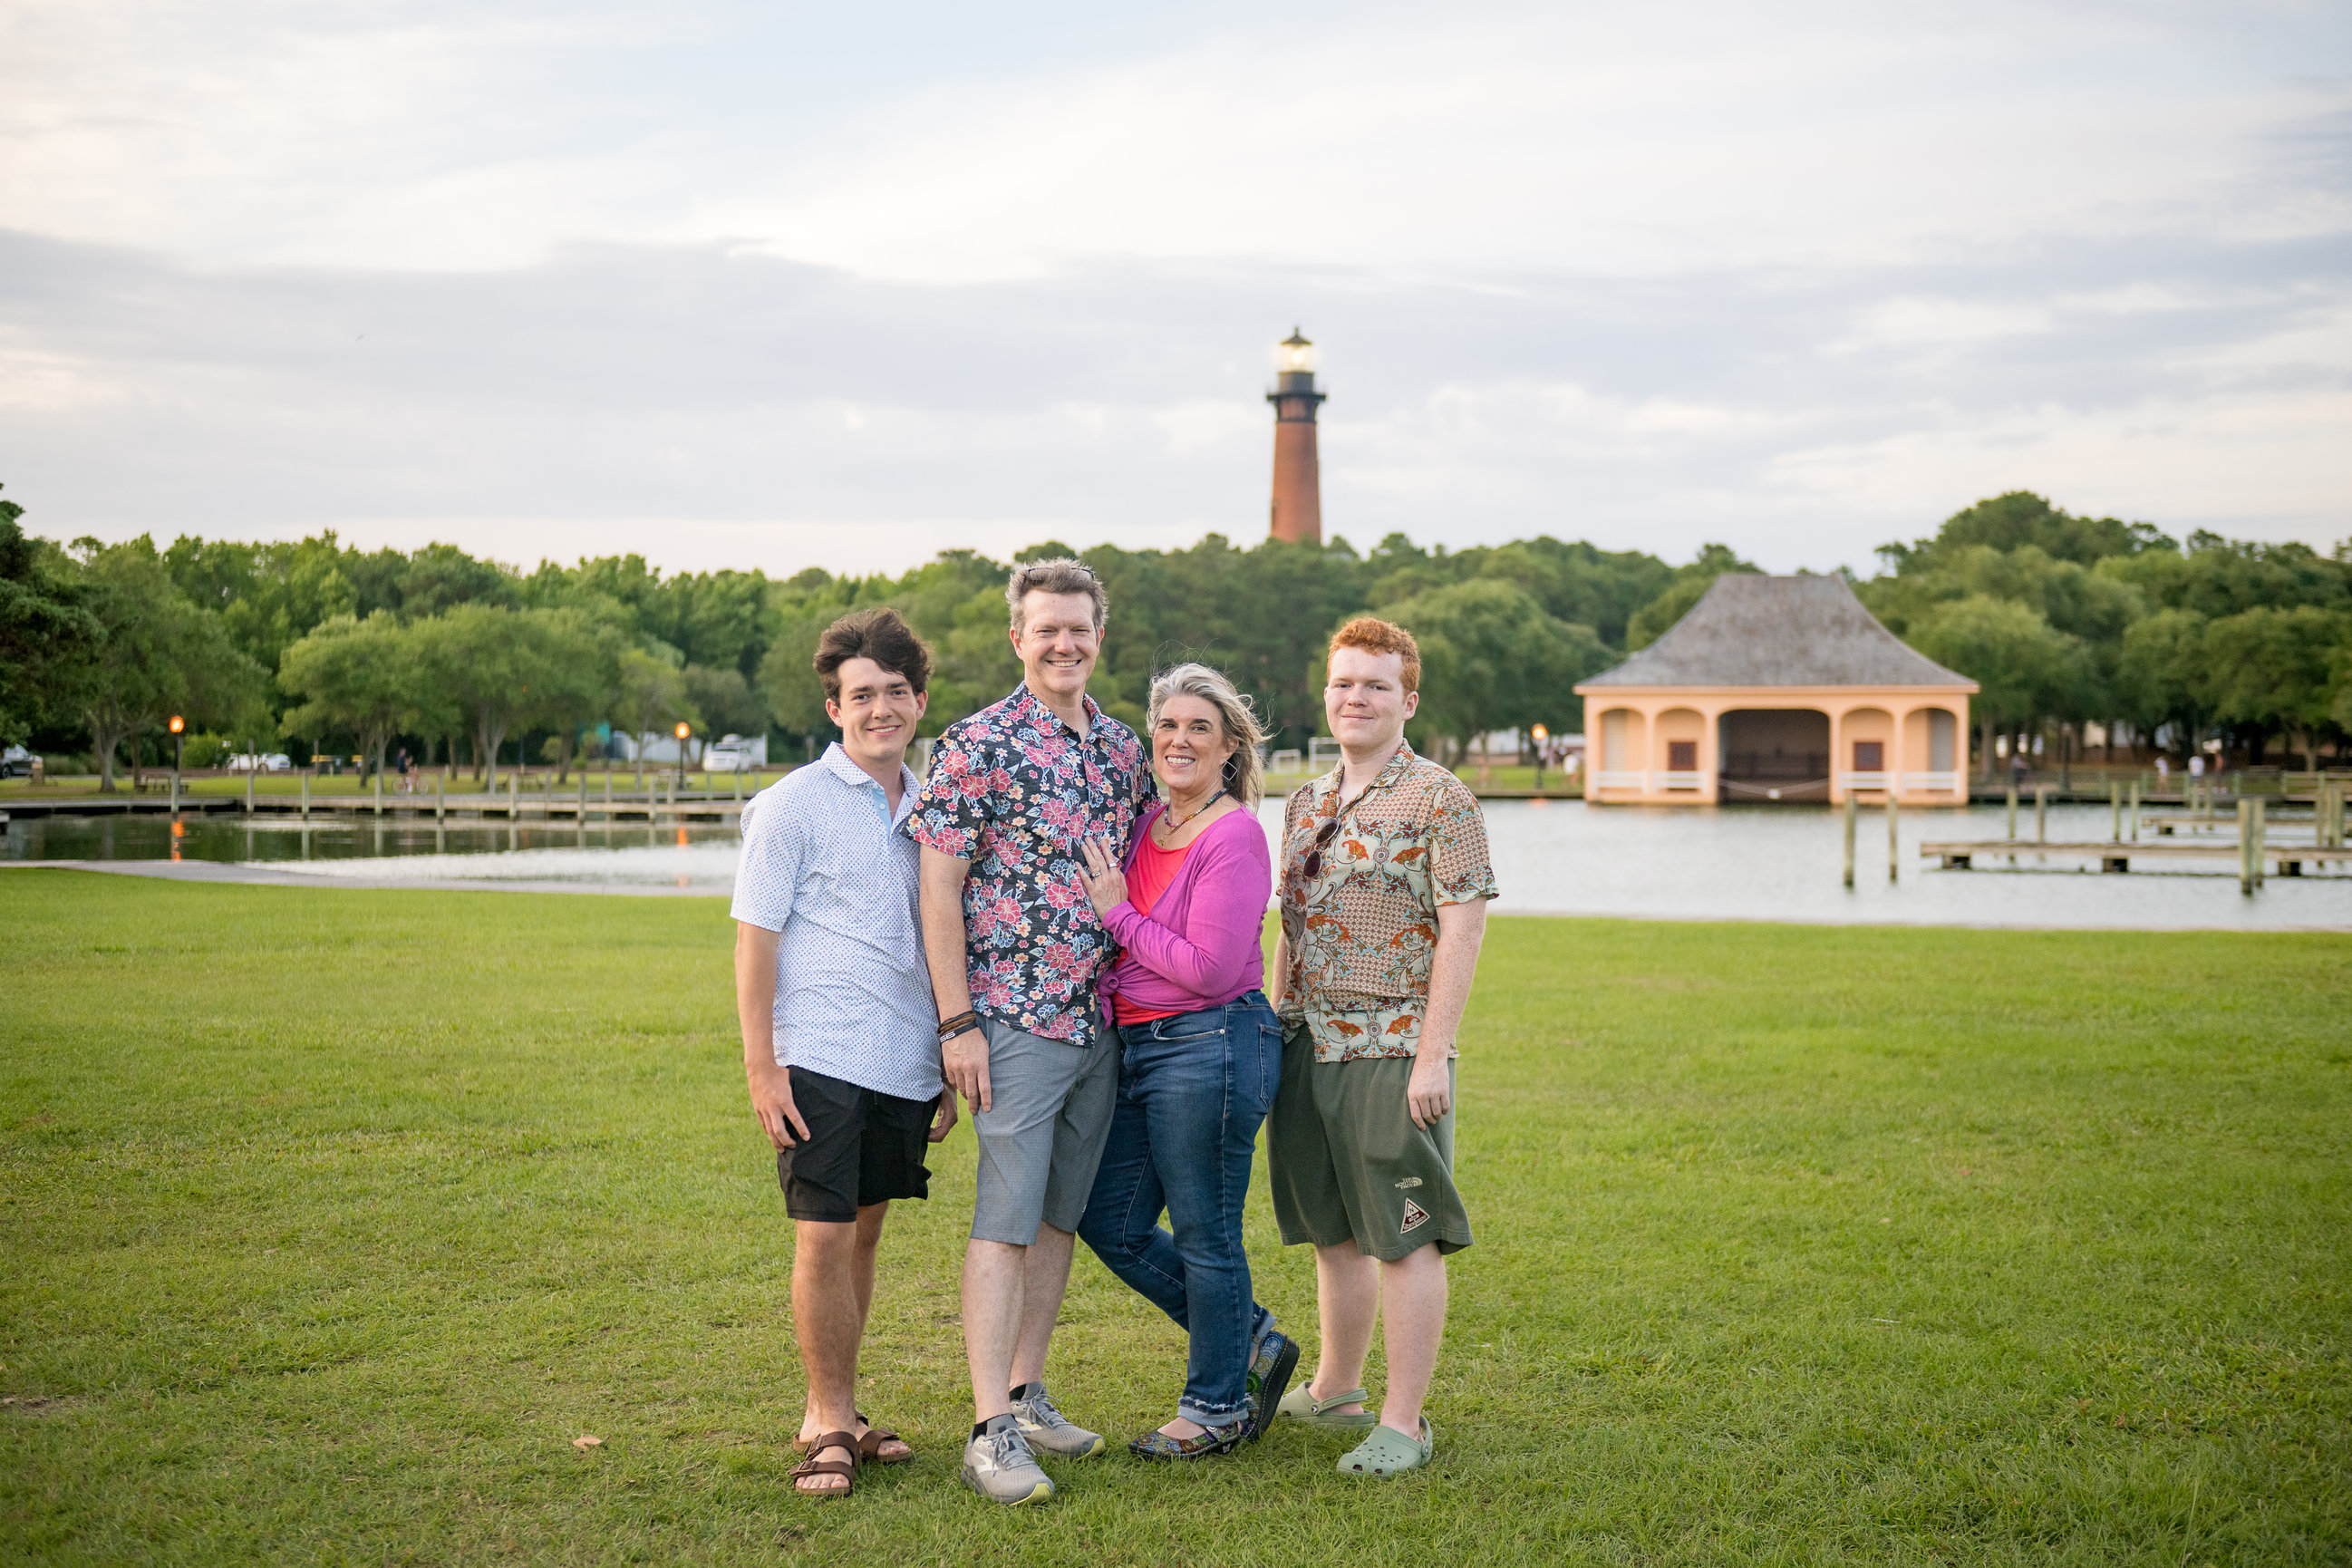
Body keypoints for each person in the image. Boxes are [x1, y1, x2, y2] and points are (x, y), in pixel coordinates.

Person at [903, 558, 1157, 1506]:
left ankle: (1026, 1387)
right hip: (1012, 1016)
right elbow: (938, 886)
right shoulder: (977, 743)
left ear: (1099, 635)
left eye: (1079, 628)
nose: (1064, 643)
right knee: (1005, 1221)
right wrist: (956, 1020)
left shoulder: (1124, 749)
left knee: (1058, 1215)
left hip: (1103, 1019)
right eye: (1046, 628)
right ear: (1018, 637)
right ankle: (987, 1428)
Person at [731, 607, 958, 1500]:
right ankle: (825, 1417)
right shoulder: (790, 805)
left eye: (895, 692)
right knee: (823, 1235)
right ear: (835, 706)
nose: (880, 708)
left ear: (919, 699)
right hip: (818, 1053)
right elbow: (755, 942)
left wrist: (944, 1053)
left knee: (864, 1234)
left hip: (903, 1060)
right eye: (862, 694)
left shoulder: (935, 807)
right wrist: (762, 1065)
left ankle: (846, 1407)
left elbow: (940, 933)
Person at [1267, 616, 1496, 1479]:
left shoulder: (1442, 798)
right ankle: (1337, 1389)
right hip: (1307, 1042)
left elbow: (1462, 931)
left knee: (1403, 1232)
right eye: (1342, 683)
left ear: (1407, 699)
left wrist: (1434, 1054)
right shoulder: (1304, 801)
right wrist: (1272, 1012)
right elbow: (1289, 926)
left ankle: (1405, 1422)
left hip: (1394, 1041)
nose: (1354, 698)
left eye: (1373, 684)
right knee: (1332, 1230)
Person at [1071, 663, 1299, 1460]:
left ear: (1229, 747)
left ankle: (1215, 1407)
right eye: (1167, 724)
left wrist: (1117, 915)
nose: (1178, 739)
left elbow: (1205, 967)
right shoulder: (1147, 824)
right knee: (1110, 1221)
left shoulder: (1232, 835)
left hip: (1213, 1044)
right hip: (1143, 1046)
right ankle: (1251, 1338)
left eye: (1199, 727)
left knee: (1206, 1234)